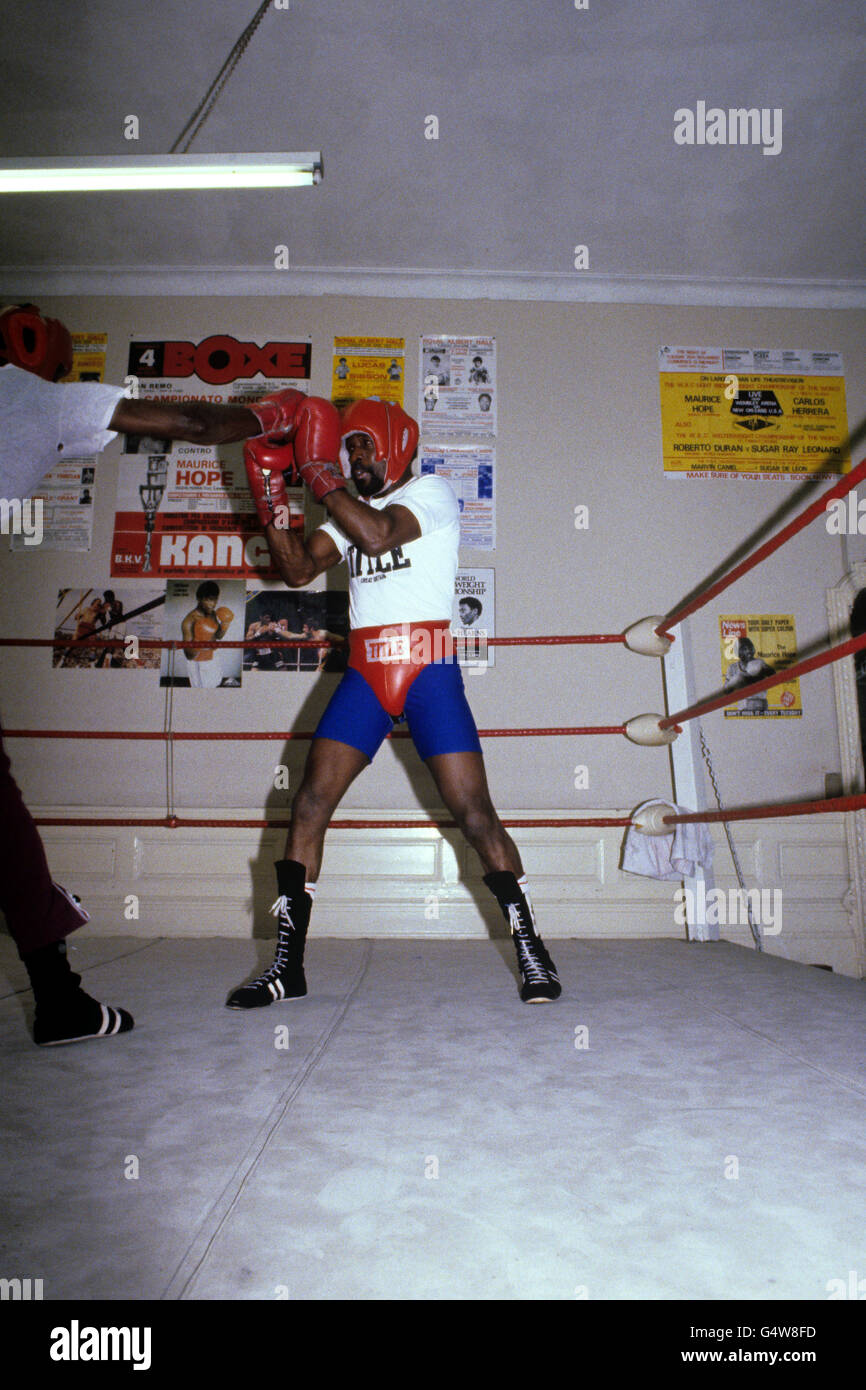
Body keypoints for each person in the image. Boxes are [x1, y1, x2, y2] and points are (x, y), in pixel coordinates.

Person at [0, 304, 335, 1042]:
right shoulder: (32, 396)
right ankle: (58, 1001)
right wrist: (271, 414)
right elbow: (192, 425)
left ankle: (59, 999)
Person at [229, 396, 561, 1008]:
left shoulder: (430, 494)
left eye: (362, 447)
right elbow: (298, 570)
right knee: (307, 804)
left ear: (393, 445)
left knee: (475, 812)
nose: (353, 459)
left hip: (429, 667)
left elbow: (380, 536)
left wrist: (319, 473)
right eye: (345, 448)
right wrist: (272, 495)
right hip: (366, 670)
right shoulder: (346, 513)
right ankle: (286, 966)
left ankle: (532, 950)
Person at [181, 582, 234, 688]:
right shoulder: (189, 620)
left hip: (213, 658)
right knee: (202, 691)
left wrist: (225, 624)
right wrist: (201, 639)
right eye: (209, 599)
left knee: (216, 686)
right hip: (198, 663)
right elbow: (188, 655)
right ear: (199, 598)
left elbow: (218, 636)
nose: (213, 604)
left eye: (215, 600)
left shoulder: (213, 614)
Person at [723, 636, 774, 714]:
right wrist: (734, 682)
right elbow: (726, 691)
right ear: (738, 652)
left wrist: (764, 669)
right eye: (744, 649)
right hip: (742, 706)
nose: (748, 651)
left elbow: (773, 674)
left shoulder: (759, 663)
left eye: (750, 648)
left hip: (760, 705)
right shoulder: (732, 668)